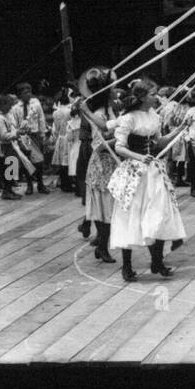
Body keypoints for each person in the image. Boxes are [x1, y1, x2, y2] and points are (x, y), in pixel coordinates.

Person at [108, 82, 186, 282]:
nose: (157, 98)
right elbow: (119, 147)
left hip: (154, 172)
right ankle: (127, 266)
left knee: (158, 213)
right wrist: (139, 157)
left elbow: (159, 142)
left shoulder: (155, 116)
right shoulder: (128, 118)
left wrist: (181, 128)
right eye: (153, 94)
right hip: (134, 172)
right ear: (142, 97)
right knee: (131, 214)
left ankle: (157, 262)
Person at [75, 70, 120, 261]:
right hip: (102, 166)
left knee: (111, 209)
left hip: (112, 165)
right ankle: (102, 246)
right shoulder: (99, 113)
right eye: (113, 89)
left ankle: (101, 244)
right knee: (105, 208)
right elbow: (99, 144)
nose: (116, 91)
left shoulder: (111, 110)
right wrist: (120, 141)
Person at [11, 81, 50, 195]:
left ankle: (41, 184)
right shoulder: (16, 108)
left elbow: (41, 119)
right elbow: (15, 123)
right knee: (26, 160)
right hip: (24, 136)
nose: (28, 95)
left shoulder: (36, 104)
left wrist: (42, 135)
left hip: (35, 134)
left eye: (29, 92)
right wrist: (18, 136)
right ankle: (29, 185)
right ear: (20, 95)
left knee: (39, 160)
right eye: (25, 93)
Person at [49, 89, 74, 191]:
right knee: (67, 161)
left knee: (62, 161)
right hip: (68, 137)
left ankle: (64, 182)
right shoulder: (70, 112)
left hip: (60, 137)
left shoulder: (55, 113)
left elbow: (55, 127)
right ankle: (67, 184)